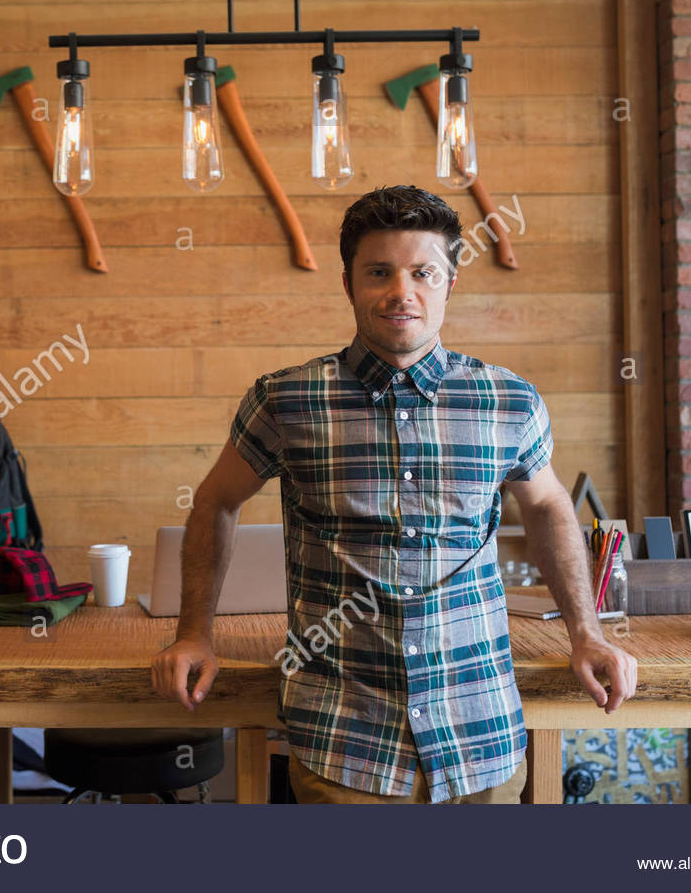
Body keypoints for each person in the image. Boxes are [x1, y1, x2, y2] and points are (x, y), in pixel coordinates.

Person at [150, 185, 638, 804]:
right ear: (349, 283)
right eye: (378, 272)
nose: (400, 291)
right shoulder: (287, 399)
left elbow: (545, 507)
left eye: (422, 272)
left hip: (478, 733)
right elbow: (217, 500)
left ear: (450, 282)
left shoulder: (509, 400)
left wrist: (586, 633)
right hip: (344, 739)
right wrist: (196, 632)